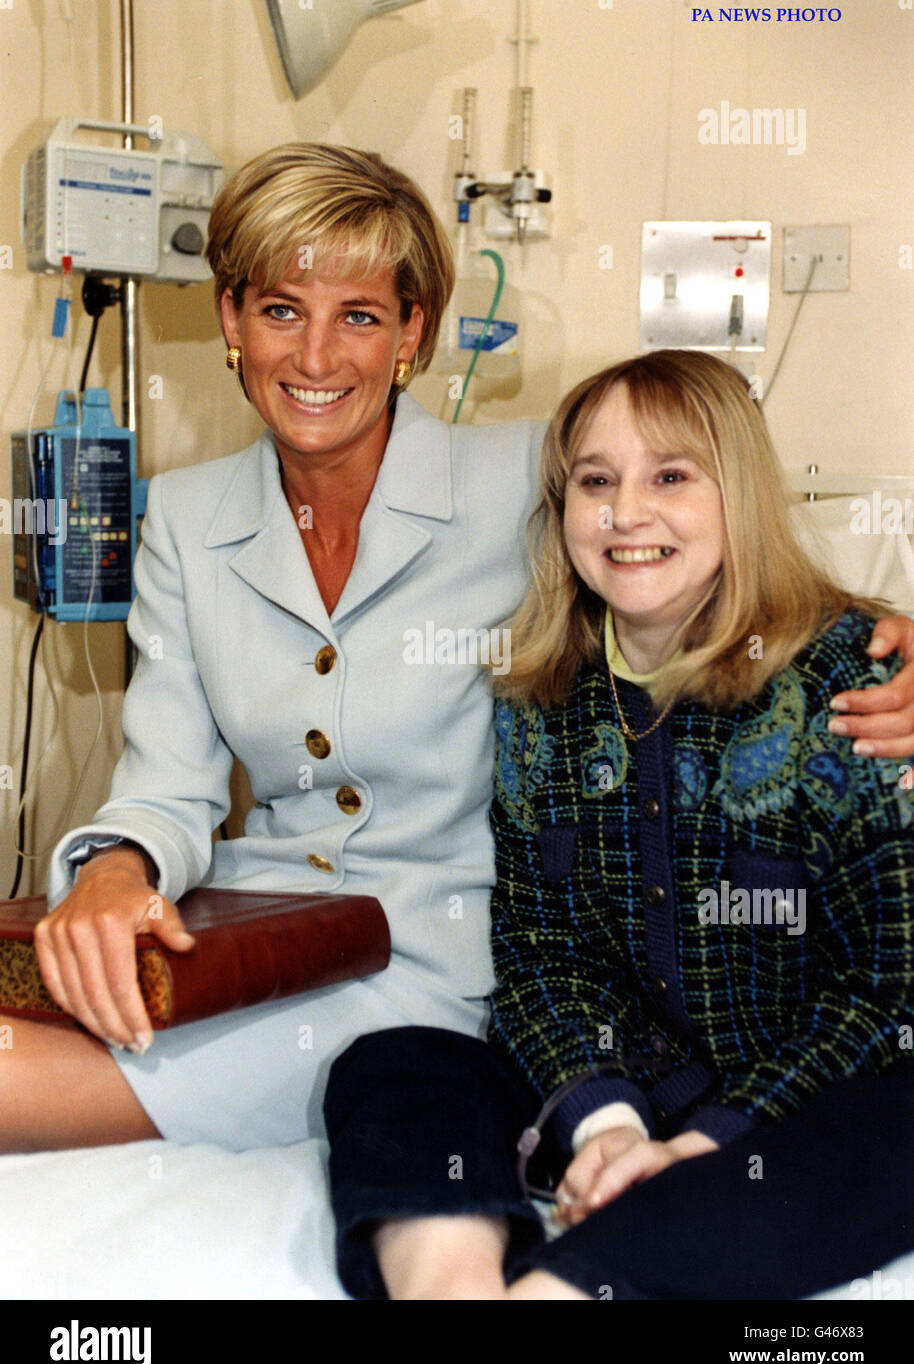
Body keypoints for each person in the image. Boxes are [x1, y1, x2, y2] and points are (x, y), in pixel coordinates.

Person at [2, 145, 913, 1156]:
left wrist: (898, 639)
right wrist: (118, 865)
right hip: (253, 938)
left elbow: (738, 540)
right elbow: (168, 783)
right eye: (279, 310)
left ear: (411, 333)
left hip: (448, 963)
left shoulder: (532, 475)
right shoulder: (183, 517)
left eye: (357, 315)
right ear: (230, 321)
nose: (314, 356)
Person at [323, 350, 914, 1301]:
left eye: (671, 477)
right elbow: (541, 956)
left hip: (802, 1102)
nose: (626, 512)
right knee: (398, 1063)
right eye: (595, 481)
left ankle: (573, 1287)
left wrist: (713, 1141)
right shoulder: (542, 700)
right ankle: (451, 1283)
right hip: (625, 1089)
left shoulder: (856, 685)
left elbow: (891, 988)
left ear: (742, 497)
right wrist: (608, 1128)